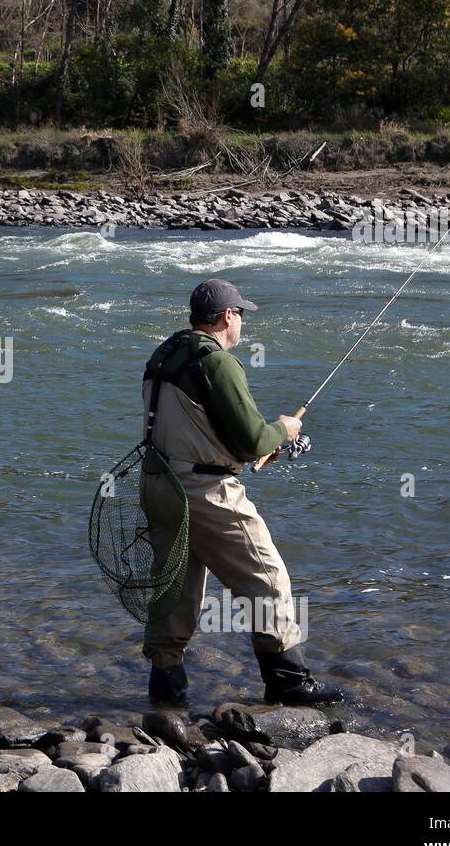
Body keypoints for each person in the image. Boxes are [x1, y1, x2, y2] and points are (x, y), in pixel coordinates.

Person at [140, 279, 344, 706]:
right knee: (268, 579)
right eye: (241, 315)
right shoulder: (217, 362)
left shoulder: (165, 353)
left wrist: (251, 446)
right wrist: (284, 430)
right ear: (227, 316)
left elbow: (194, 425)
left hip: (159, 483)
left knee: (174, 590)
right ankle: (288, 680)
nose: (242, 324)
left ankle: (166, 693)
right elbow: (253, 439)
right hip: (205, 492)